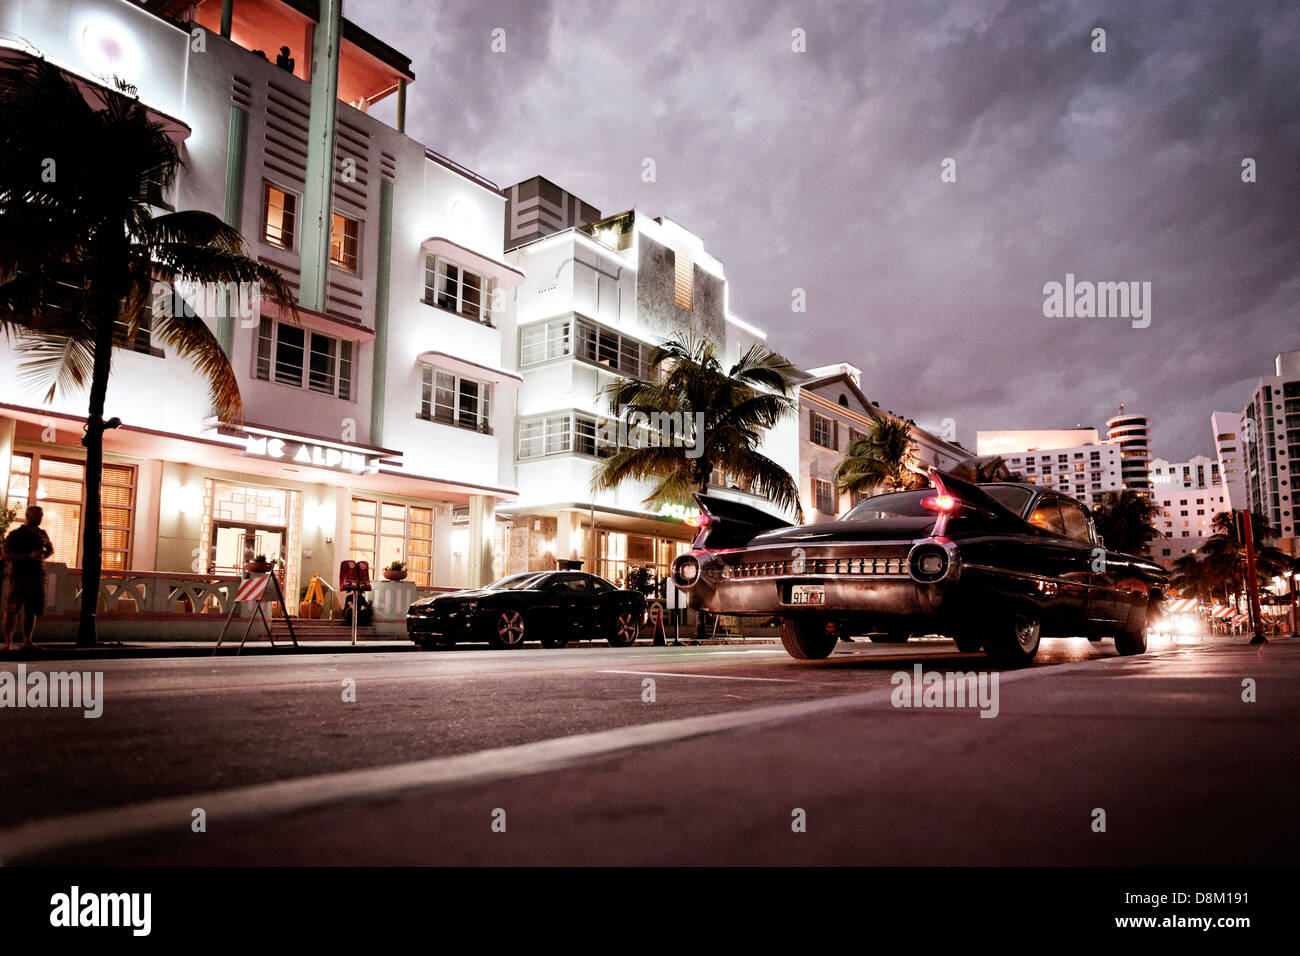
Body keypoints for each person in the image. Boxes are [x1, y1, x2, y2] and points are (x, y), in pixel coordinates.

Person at [3, 505, 54, 650]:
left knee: (32, 610)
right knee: (12, 609)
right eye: (36, 515)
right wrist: (27, 556)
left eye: (41, 515)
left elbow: (50, 549)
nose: (39, 518)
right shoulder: (16, 534)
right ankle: (8, 642)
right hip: (19, 575)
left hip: (37, 576)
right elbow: (5, 555)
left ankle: (27, 641)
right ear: (27, 516)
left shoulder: (42, 534)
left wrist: (43, 556)